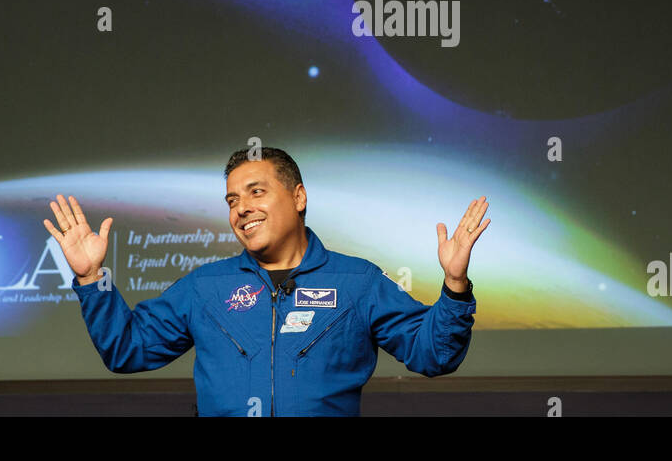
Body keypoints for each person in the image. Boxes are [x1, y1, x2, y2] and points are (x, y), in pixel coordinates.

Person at [43, 146, 489, 416]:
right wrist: (90, 276)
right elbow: (128, 349)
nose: (241, 209)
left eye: (257, 192)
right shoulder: (206, 287)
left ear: (298, 197)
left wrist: (454, 285)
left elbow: (433, 355)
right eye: (232, 199)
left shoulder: (358, 282)